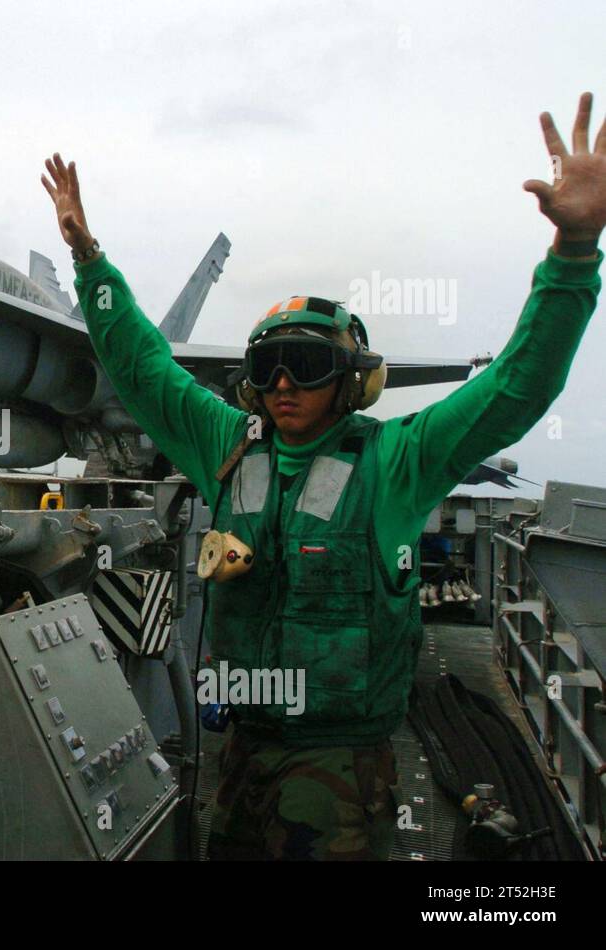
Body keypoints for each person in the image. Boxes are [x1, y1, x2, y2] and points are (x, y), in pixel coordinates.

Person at [41, 92, 605, 860]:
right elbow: (142, 366)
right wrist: (88, 259)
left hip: (340, 763)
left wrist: (575, 252)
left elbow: (516, 387)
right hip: (243, 747)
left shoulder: (395, 459)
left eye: (304, 366)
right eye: (266, 367)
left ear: (347, 380)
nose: (281, 385)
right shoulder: (227, 444)